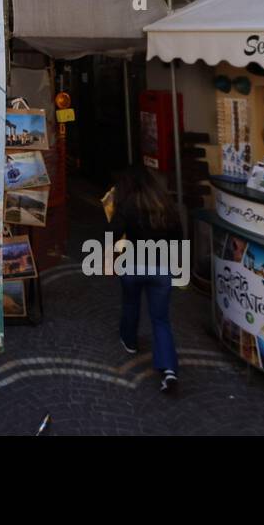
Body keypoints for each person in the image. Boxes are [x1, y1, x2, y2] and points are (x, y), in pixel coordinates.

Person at [103, 165, 185, 393]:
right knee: (161, 319)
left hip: (133, 266)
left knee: (131, 304)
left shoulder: (128, 205)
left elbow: (111, 233)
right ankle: (169, 370)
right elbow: (179, 238)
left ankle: (129, 341)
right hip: (161, 269)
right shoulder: (167, 206)